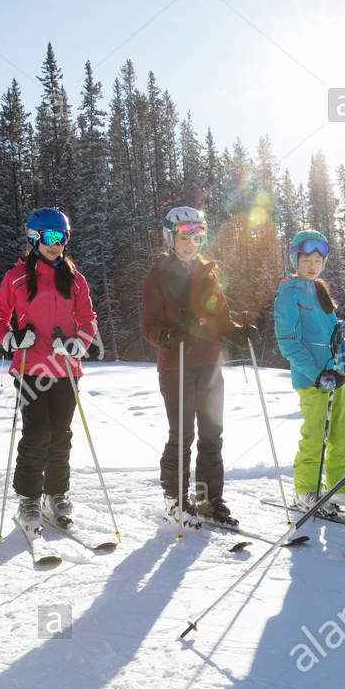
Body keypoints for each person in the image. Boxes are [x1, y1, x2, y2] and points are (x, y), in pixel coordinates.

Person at [141, 206, 259, 526]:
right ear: (171, 237)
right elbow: (148, 326)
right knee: (182, 434)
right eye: (184, 235)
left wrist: (236, 332)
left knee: (212, 434)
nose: (191, 241)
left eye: (198, 234)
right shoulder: (158, 275)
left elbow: (220, 317)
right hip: (176, 365)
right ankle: (175, 499)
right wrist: (166, 335)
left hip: (209, 364)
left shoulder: (208, 271)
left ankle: (209, 499)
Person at [0, 207, 98, 533]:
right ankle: (29, 497)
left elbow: (88, 319)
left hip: (66, 368)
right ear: (34, 238)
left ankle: (56, 494)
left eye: (62, 237)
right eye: (50, 237)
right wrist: (11, 338)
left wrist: (80, 343)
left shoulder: (75, 279)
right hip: (30, 368)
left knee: (61, 436)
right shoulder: (16, 278)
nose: (57, 244)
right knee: (37, 434)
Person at [272, 230, 345, 515]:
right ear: (296, 259)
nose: (313, 265)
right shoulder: (288, 295)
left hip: (335, 376)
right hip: (312, 380)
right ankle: (305, 491)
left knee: (343, 434)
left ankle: (340, 487)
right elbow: (289, 344)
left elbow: (334, 337)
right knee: (316, 435)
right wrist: (317, 374)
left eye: (318, 259)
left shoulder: (319, 290)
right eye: (307, 259)